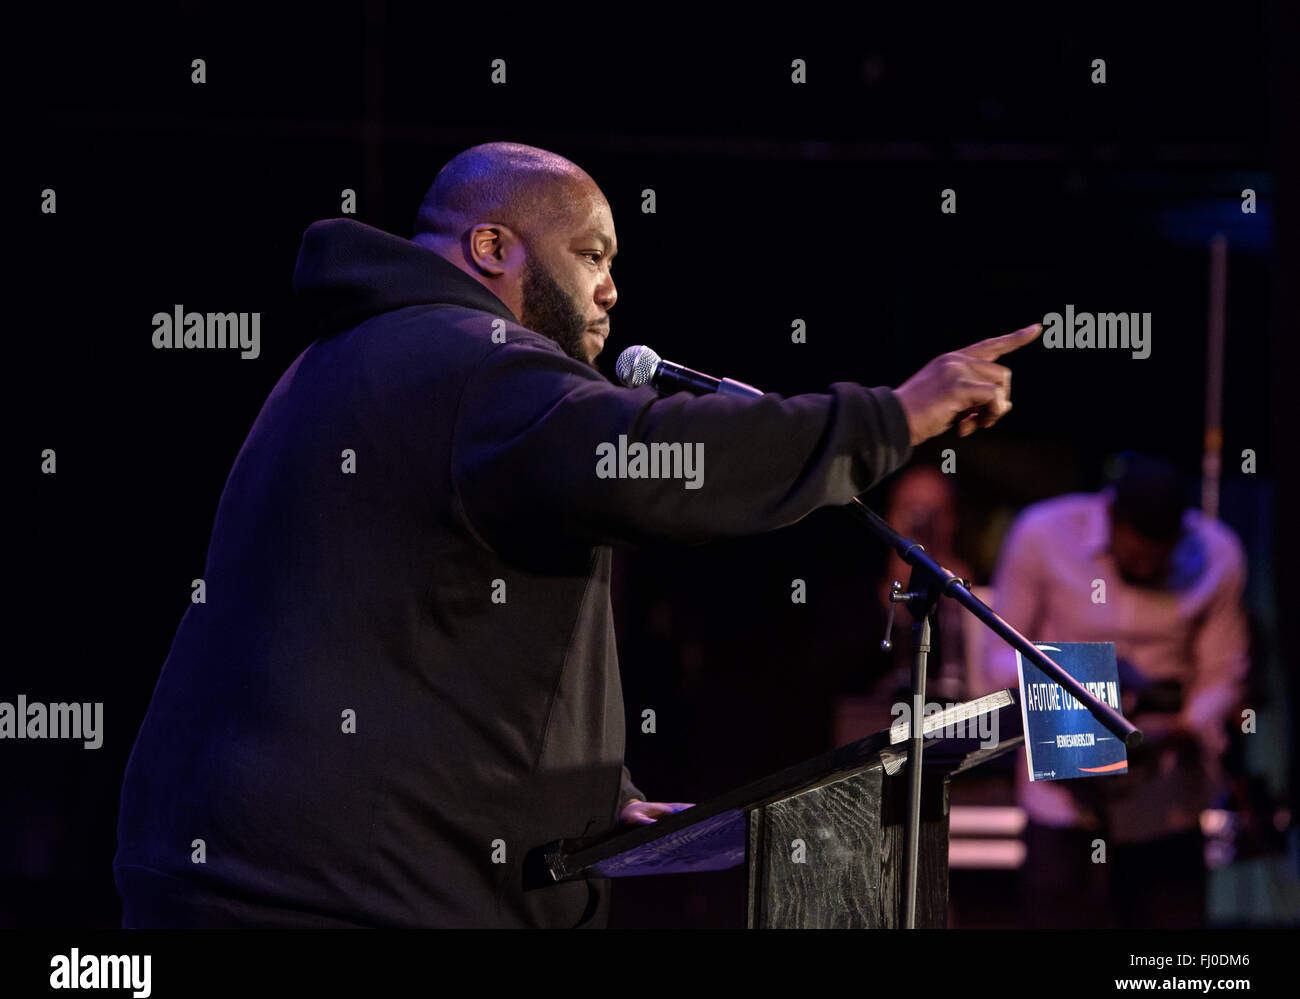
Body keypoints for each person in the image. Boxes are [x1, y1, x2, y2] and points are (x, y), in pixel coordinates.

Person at [114, 141, 1040, 928]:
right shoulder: (464, 361)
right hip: (334, 896)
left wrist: (584, 799)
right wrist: (893, 417)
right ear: (492, 246)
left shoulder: (362, 360)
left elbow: (416, 638)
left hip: (257, 877)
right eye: (591, 254)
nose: (610, 289)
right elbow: (653, 459)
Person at [982, 452, 1250, 927]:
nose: (1145, 567)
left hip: (1165, 805)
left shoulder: (1218, 554)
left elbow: (1223, 673)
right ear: (1110, 518)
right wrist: (1078, 708)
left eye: (1158, 559)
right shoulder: (1043, 534)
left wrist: (1184, 725)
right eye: (1134, 555)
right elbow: (998, 658)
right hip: (1062, 805)